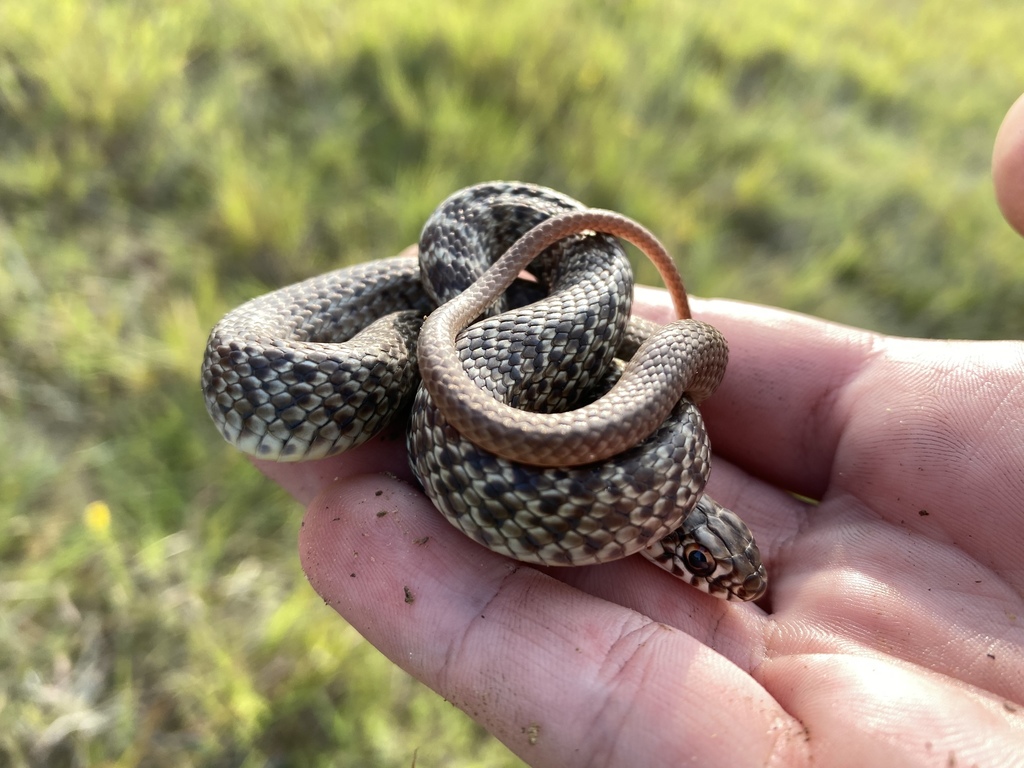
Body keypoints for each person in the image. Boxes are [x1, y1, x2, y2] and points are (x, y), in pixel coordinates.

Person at [254, 96, 1024, 767]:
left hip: (518, 356)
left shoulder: (660, 427)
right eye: (696, 559)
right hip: (478, 333)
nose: (708, 574)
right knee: (434, 354)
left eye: (699, 560)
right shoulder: (583, 376)